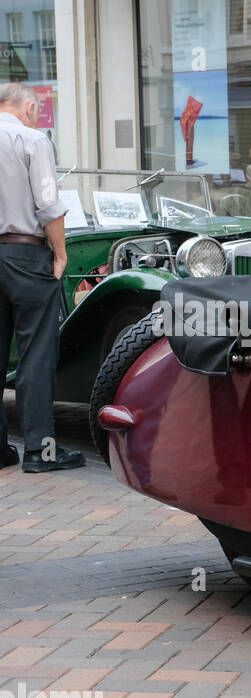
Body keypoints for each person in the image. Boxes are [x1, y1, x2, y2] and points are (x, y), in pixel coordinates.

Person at [0, 83, 84, 472]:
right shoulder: (32, 138)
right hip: (24, 253)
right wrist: (62, 253)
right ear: (28, 107)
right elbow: (48, 203)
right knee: (36, 353)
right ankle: (40, 450)